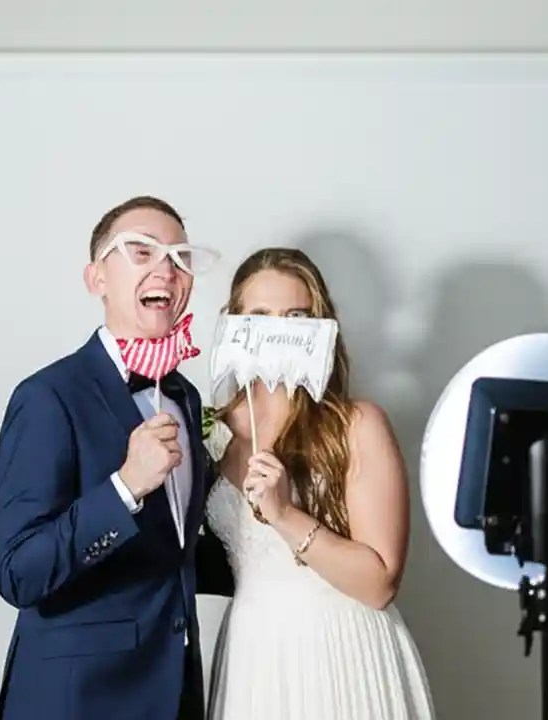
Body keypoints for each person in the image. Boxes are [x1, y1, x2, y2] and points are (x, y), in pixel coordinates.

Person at [0, 195, 234, 720]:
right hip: (76, 699)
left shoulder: (186, 399)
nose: (166, 271)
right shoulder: (47, 397)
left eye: (179, 258)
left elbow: (175, 556)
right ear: (96, 278)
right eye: (142, 253)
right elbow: (18, 574)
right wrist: (125, 487)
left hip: (173, 694)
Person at [202, 248, 436, 719]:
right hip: (253, 656)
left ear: (320, 327)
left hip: (341, 648)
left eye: (295, 316)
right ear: (234, 324)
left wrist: (286, 516)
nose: (277, 331)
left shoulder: (356, 425)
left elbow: (379, 584)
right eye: (260, 316)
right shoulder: (208, 432)